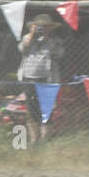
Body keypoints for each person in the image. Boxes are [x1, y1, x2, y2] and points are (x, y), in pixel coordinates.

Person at [17, 13, 66, 142]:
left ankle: (45, 139)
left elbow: (59, 55)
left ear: (50, 28)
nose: (42, 28)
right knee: (31, 109)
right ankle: (34, 140)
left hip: (47, 79)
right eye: (39, 26)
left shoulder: (55, 40)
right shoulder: (27, 38)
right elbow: (22, 48)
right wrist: (32, 34)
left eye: (45, 27)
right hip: (28, 77)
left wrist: (47, 38)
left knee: (46, 110)